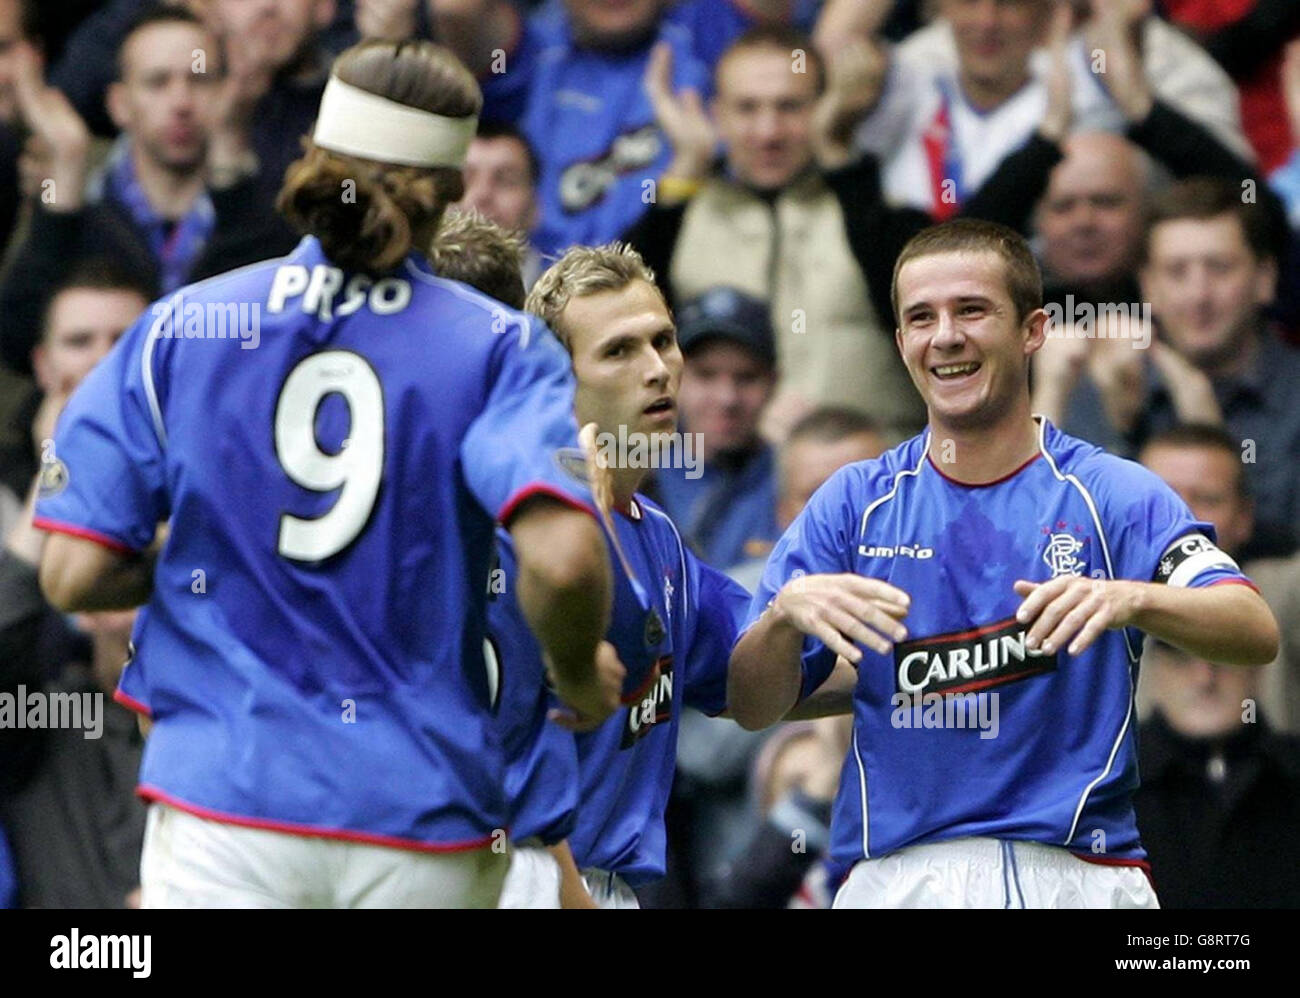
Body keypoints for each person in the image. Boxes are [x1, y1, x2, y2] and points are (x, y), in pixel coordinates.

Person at [32, 38, 619, 909]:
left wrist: (218, 542)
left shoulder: (179, 326)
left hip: (223, 807)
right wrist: (577, 675)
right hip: (420, 815)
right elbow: (565, 562)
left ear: (312, 161)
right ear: (450, 195)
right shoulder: (499, 347)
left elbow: (72, 574)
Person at [728, 218, 1279, 909]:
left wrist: (1130, 599)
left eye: (972, 310)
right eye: (921, 318)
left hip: (1079, 874)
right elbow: (751, 704)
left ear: (1034, 330)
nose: (946, 336)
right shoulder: (853, 502)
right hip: (902, 878)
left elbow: (1253, 626)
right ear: (900, 343)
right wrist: (782, 619)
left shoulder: (1110, 491)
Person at [492, 243, 753, 908]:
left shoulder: (658, 535)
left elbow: (768, 668)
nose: (658, 370)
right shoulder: (514, 534)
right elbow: (500, 765)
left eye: (663, 340)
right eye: (618, 351)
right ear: (556, 379)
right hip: (521, 878)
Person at [0, 4, 292, 376]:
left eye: (199, 80)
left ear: (226, 92)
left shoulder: (261, 203)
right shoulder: (77, 205)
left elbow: (268, 331)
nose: (181, 102)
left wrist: (232, 172)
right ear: (119, 104)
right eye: (158, 82)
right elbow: (18, 343)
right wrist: (63, 190)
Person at [1051, 177, 1300, 559]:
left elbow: (1286, 546)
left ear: (1265, 279)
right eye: (1177, 271)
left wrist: (1205, 426)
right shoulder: (1105, 383)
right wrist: (1122, 430)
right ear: (1147, 285)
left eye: (1219, 268)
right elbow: (1069, 536)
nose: (1198, 294)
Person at [1137, 424, 1300, 733]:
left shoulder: (1284, 590)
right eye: (1159, 499)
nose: (1180, 516)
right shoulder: (1081, 587)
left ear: (1243, 519)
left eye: (1207, 499)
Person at [1134, 637, 1300, 907]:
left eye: (1223, 656)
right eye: (1181, 659)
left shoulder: (1291, 773)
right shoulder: (1110, 787)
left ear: (1256, 668)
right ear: (1155, 670)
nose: (1204, 679)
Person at [648, 286, 779, 572]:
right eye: (705, 375)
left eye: (746, 378)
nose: (727, 398)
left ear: (774, 382)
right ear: (671, 376)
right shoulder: (634, 473)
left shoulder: (792, 482)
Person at [455, 121, 544, 288]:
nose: (483, 194)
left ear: (535, 207)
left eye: (506, 181)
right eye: (465, 179)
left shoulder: (558, 308)